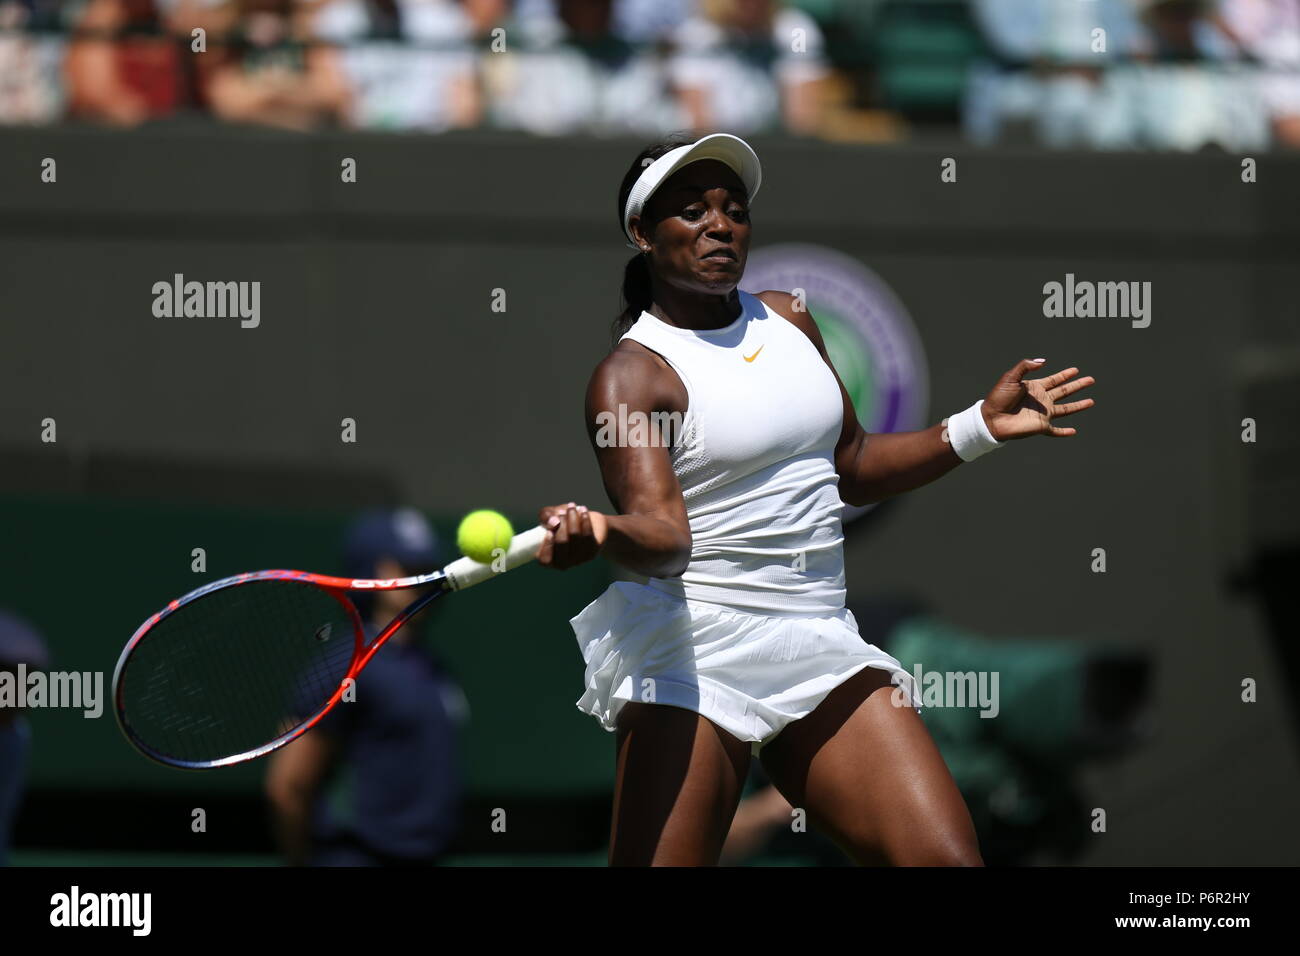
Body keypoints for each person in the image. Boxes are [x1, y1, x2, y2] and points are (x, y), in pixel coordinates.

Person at [535, 133, 1097, 866]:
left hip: (818, 639)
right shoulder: (632, 378)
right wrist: (606, 533)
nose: (719, 225)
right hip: (694, 653)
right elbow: (666, 535)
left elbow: (853, 463)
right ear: (643, 234)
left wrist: (977, 427)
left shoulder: (790, 320)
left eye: (733, 209)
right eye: (690, 210)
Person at [265, 508, 467, 866]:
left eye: (427, 569)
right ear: (371, 572)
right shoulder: (347, 664)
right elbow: (289, 785)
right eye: (407, 568)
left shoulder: (432, 666)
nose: (422, 580)